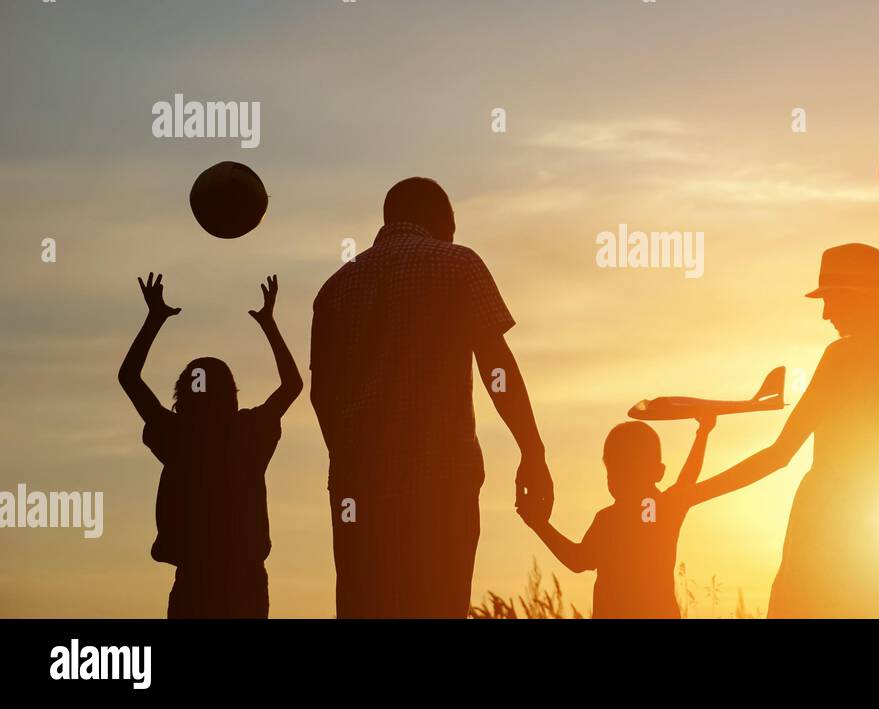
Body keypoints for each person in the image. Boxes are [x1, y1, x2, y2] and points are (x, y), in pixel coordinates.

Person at [692, 244, 879, 617]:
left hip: (825, 522)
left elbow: (778, 455)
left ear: (859, 299)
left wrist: (691, 495)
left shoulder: (839, 358)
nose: (825, 314)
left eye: (831, 299)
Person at [311, 177, 552, 618]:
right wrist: (531, 449)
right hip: (440, 481)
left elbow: (321, 394)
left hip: (357, 493)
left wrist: (347, 459)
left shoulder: (333, 289)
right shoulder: (458, 264)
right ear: (442, 220)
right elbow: (496, 368)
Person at [117, 273, 302, 618]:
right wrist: (269, 324)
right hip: (245, 582)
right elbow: (292, 385)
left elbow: (129, 378)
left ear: (181, 396)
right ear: (231, 394)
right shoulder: (248, 432)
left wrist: (154, 319)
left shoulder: (178, 436)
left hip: (195, 580)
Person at [518, 417, 716, 618]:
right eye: (614, 473)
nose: (619, 480)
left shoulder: (619, 517)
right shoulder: (650, 511)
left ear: (658, 472)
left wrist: (540, 525)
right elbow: (579, 560)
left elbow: (578, 560)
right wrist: (703, 432)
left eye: (629, 472)